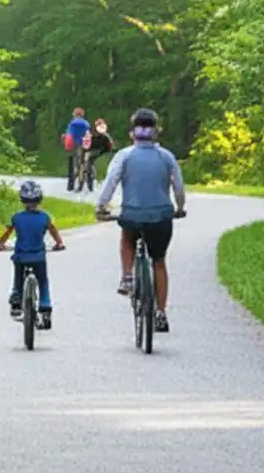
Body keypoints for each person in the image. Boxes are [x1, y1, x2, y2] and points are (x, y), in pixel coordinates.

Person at [95, 108, 185, 333]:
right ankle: (161, 313)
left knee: (127, 237)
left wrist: (102, 207)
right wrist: (180, 207)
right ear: (157, 132)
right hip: (162, 216)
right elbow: (179, 187)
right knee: (159, 261)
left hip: (133, 214)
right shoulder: (166, 156)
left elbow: (110, 183)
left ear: (131, 133)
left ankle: (127, 276)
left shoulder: (124, 156)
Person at [0, 180, 65, 329]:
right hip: (38, 257)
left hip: (21, 256)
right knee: (43, 280)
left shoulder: (17, 217)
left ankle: (16, 299)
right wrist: (59, 243)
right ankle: (45, 305)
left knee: (18, 276)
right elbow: (53, 231)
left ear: (22, 200)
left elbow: (7, 234)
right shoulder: (45, 217)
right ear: (40, 199)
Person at [83, 118, 114, 192]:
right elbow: (111, 145)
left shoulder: (94, 134)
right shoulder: (105, 135)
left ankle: (90, 176)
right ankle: (92, 176)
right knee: (90, 161)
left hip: (97, 152)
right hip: (101, 152)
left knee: (88, 160)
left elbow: (86, 144)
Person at [64, 107, 90, 191]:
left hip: (77, 145)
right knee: (85, 161)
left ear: (75, 114)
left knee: (77, 164)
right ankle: (88, 173)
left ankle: (75, 180)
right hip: (86, 145)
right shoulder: (86, 123)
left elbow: (69, 135)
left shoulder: (72, 124)